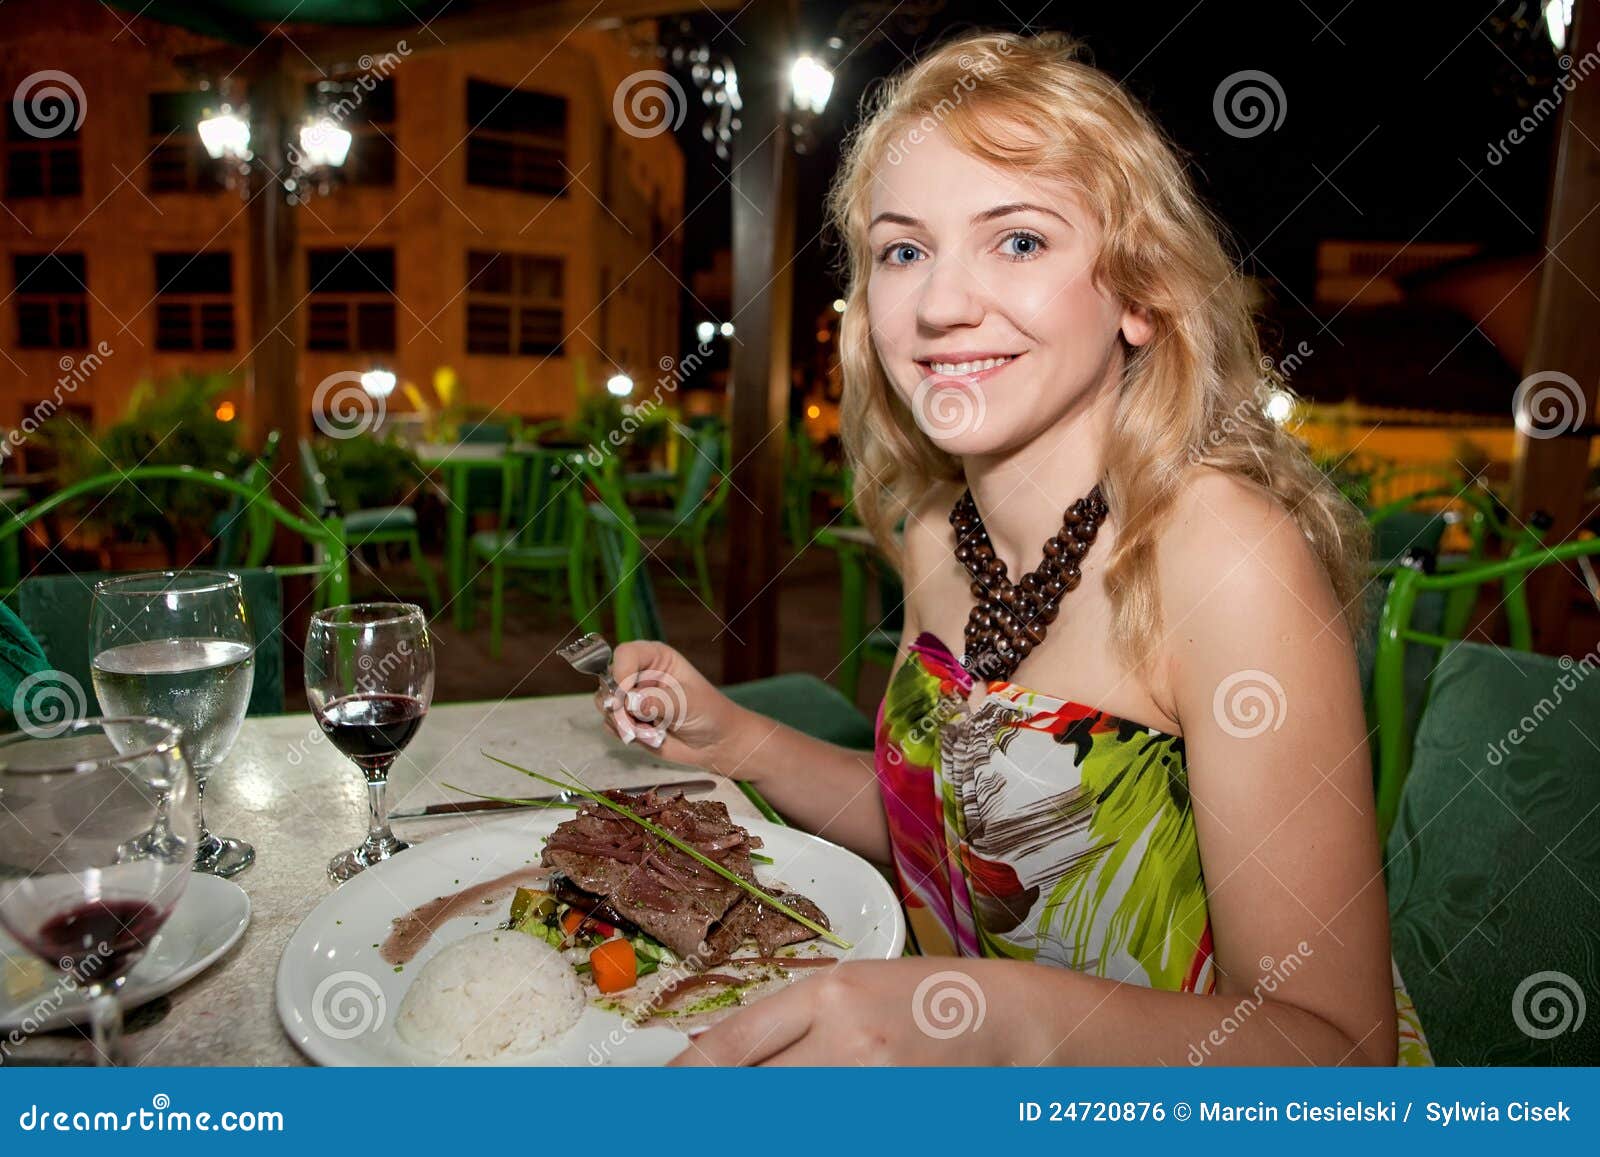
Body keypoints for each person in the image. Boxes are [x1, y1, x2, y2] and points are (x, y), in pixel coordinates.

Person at [594, 31, 1430, 1066]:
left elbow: (1339, 1057)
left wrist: (993, 1021)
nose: (941, 304)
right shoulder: (938, 532)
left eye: (1019, 240)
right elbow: (952, 823)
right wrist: (731, 740)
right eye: (904, 250)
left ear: (1136, 295)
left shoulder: (1225, 555)